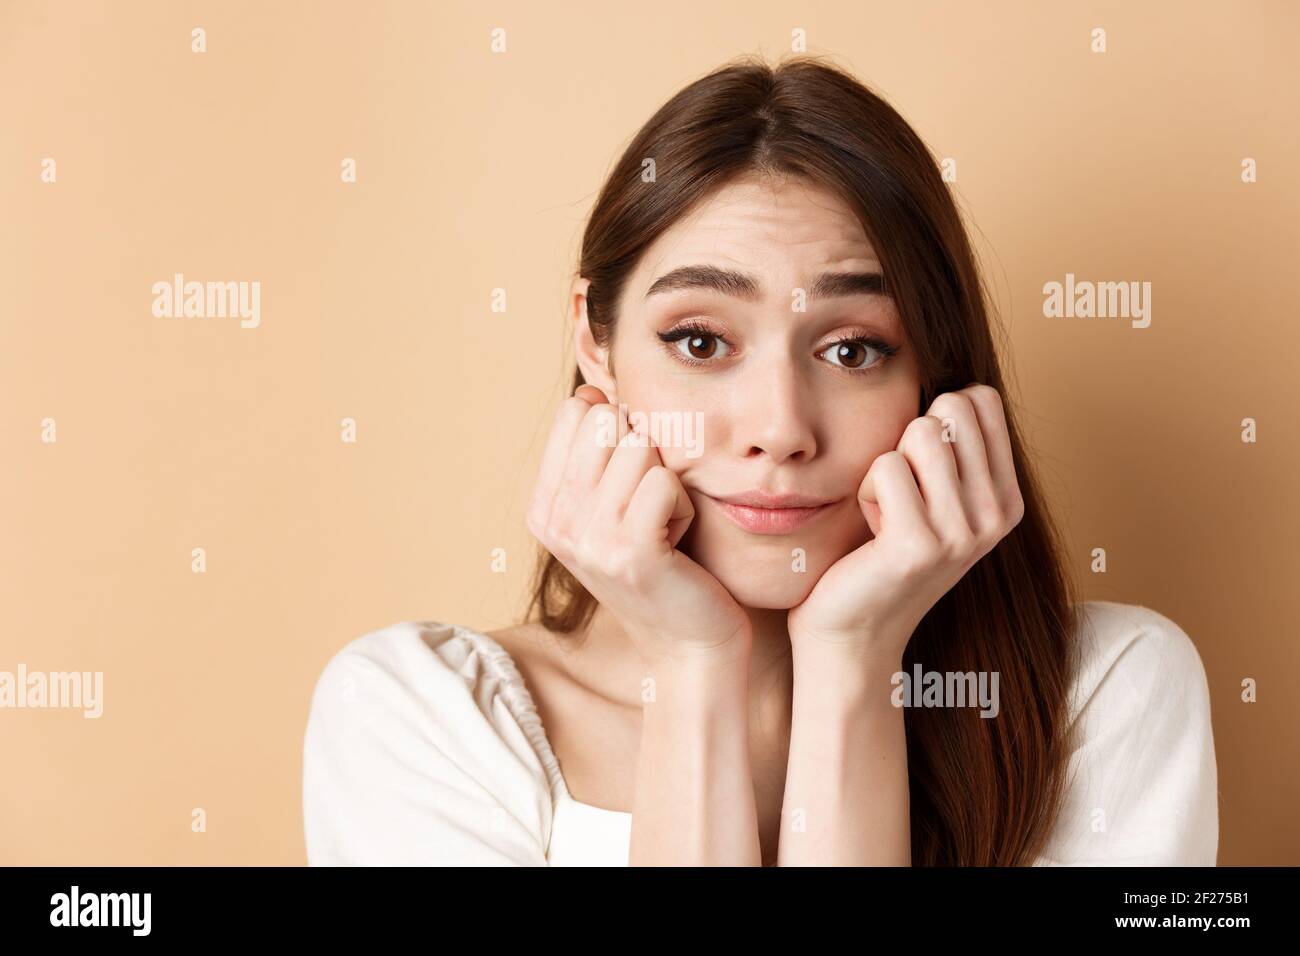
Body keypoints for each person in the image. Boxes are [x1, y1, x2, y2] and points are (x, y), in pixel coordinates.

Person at [302, 54, 1218, 866]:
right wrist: (693, 665)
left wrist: (853, 661)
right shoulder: (418, 717)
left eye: (853, 349)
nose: (780, 429)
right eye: (701, 342)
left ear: (935, 370)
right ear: (595, 342)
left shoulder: (1107, 696)